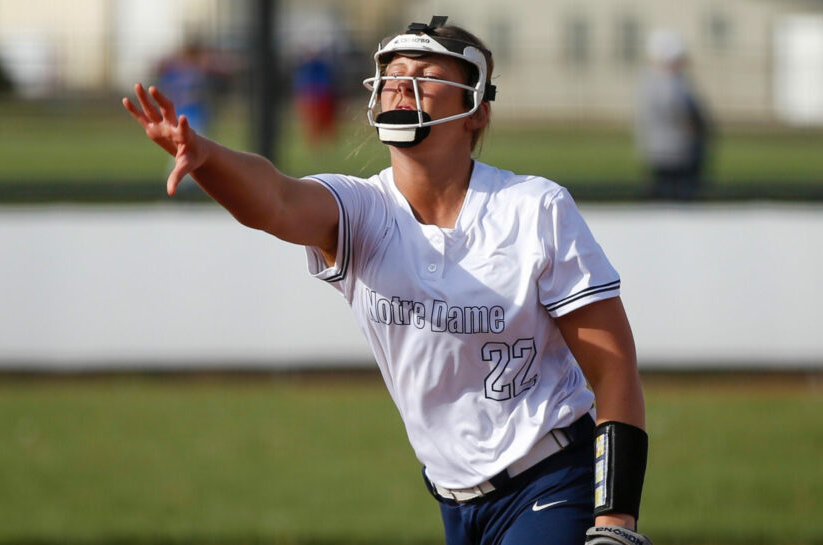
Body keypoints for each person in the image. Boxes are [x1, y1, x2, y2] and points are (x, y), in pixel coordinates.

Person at [123, 16, 651, 545]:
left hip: (554, 480)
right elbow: (276, 200)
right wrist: (208, 158)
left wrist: (615, 520)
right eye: (395, 70)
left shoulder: (535, 209)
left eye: (426, 72)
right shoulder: (364, 209)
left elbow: (612, 367)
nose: (403, 81)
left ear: (477, 110)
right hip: (453, 501)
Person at [635, 28, 711, 200]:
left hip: (663, 151)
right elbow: (680, 113)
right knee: (673, 198)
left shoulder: (651, 81)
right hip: (675, 153)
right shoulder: (666, 84)